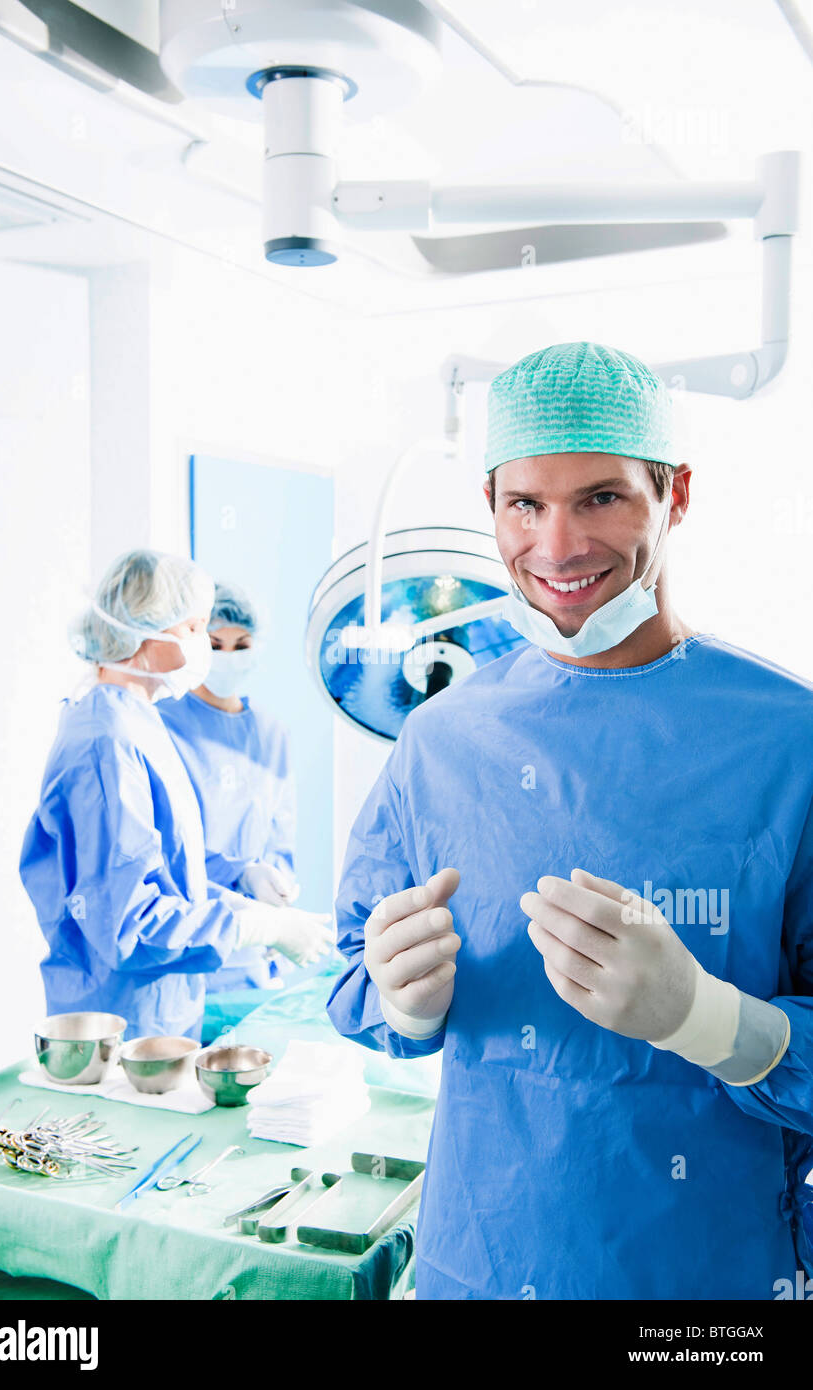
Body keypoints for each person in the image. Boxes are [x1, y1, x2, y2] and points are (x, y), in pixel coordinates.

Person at [327, 341, 813, 1300]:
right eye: (525, 504)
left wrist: (709, 1019)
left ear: (675, 495)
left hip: (705, 1283)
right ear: (489, 506)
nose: (557, 547)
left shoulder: (789, 742)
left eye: (601, 498)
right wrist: (402, 1001)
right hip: (483, 1259)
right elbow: (354, 970)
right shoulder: (440, 739)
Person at [20, 550, 334, 1041]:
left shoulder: (136, 722)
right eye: (194, 628)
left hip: (160, 1015)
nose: (203, 646)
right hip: (119, 1025)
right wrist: (254, 928)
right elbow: (128, 922)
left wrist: (243, 883)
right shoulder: (107, 742)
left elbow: (161, 867)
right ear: (144, 632)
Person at [159, 581, 307, 994]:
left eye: (241, 645)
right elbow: (164, 849)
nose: (227, 656)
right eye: (215, 644)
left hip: (252, 952)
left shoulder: (272, 736)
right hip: (185, 939)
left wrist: (277, 893)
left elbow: (279, 838)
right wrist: (239, 875)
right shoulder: (162, 726)